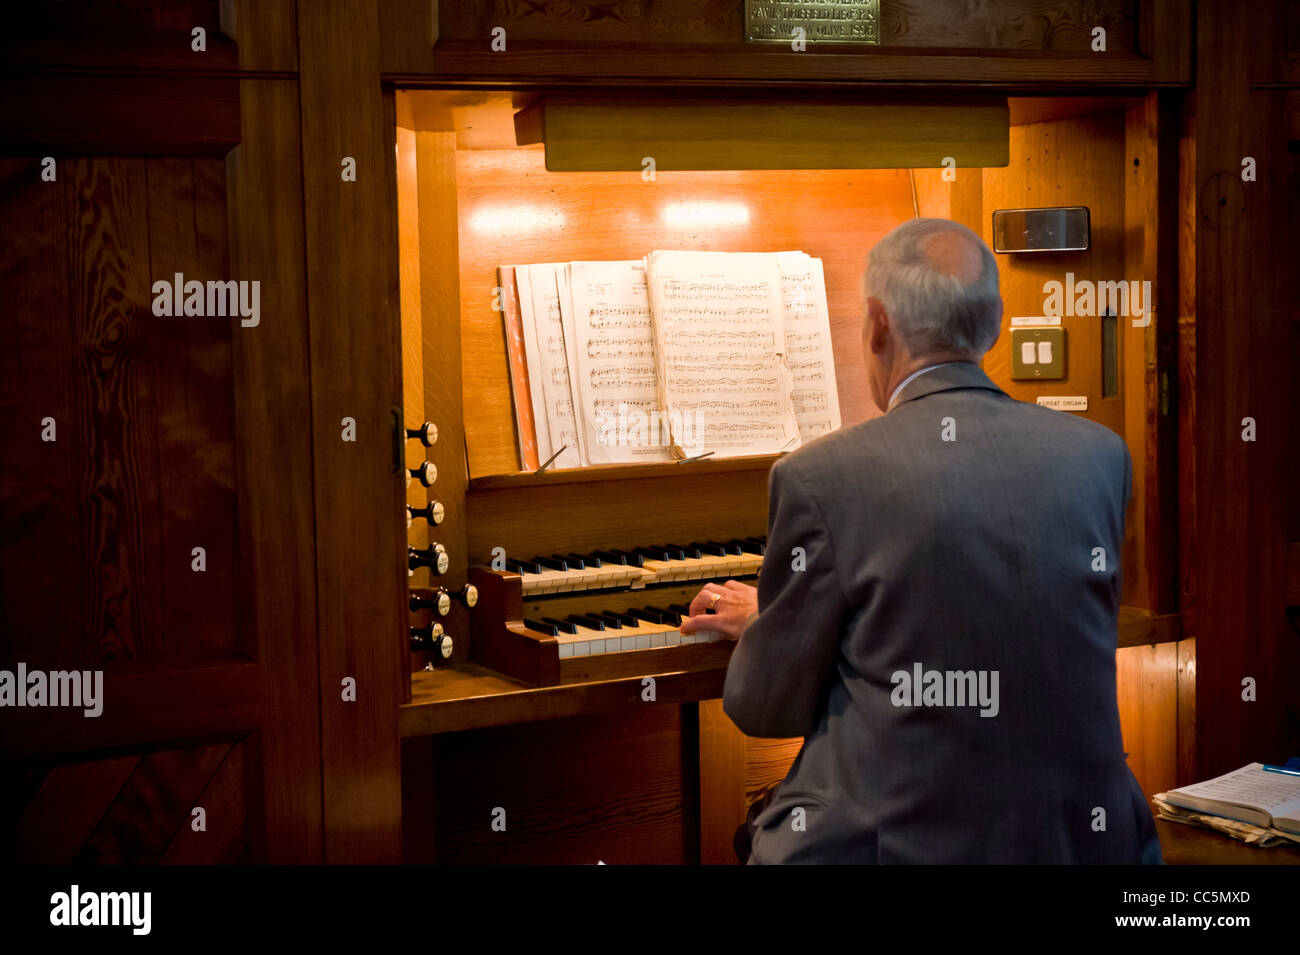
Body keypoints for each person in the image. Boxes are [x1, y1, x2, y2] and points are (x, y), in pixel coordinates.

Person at [679, 218, 1161, 864]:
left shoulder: (821, 475)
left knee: (765, 819)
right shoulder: (1100, 457)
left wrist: (772, 625)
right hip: (1086, 842)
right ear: (989, 326)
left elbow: (766, 705)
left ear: (877, 324)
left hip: (896, 849)